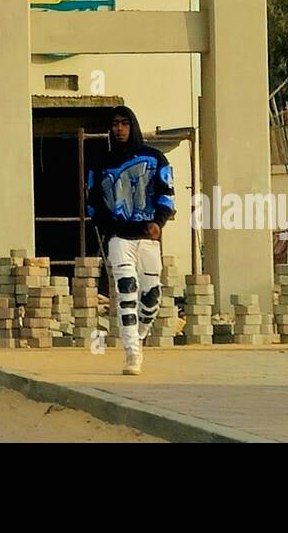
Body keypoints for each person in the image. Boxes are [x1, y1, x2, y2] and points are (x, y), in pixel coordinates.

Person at [86, 105, 175, 375]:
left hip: (147, 238)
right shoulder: (101, 163)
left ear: (132, 125)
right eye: (115, 124)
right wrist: (108, 227)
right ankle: (131, 354)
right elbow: (93, 202)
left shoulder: (155, 158)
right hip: (119, 239)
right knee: (126, 290)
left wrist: (158, 222)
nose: (119, 129)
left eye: (124, 123)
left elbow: (166, 194)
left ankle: (139, 336)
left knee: (152, 297)